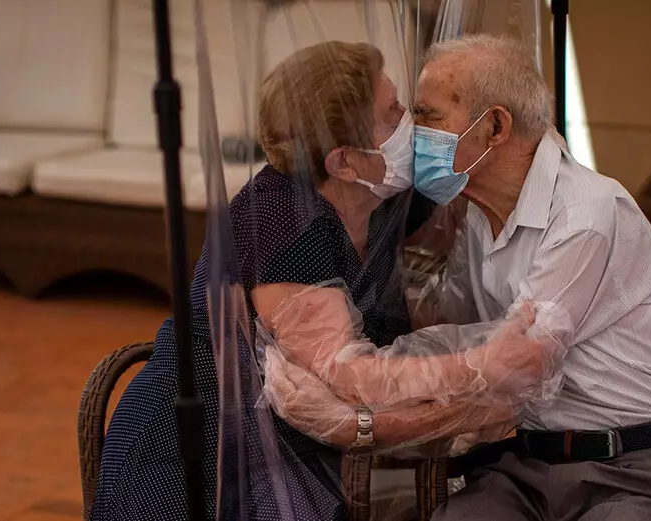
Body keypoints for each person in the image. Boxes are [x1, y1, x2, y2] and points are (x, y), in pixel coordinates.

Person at [89, 41, 551, 521]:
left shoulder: (382, 196)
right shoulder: (278, 223)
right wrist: (483, 365)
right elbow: (352, 377)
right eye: (393, 113)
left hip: (303, 452)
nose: (412, 125)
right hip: (205, 452)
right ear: (344, 163)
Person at [407, 35, 651, 520]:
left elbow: (522, 365)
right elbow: (449, 329)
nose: (414, 134)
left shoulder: (585, 212)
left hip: (640, 470)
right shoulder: (476, 215)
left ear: (494, 125)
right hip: (532, 468)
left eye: (428, 117)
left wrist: (368, 415)